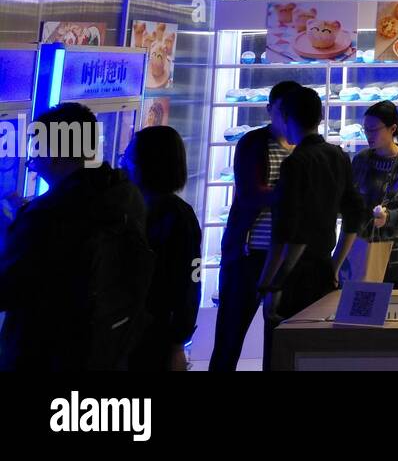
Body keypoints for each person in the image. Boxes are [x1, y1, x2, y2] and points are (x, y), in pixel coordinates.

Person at [0, 102, 151, 371]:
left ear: (54, 154)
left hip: (46, 356)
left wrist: (11, 232)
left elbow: (8, 289)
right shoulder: (125, 193)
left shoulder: (47, 216)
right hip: (109, 346)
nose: (32, 162)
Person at [257, 85, 366, 362]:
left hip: (294, 277)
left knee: (282, 354)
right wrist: (336, 263)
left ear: (284, 115)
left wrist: (272, 284)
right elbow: (355, 216)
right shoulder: (338, 156)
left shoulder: (295, 163)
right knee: (315, 354)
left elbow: (290, 234)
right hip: (324, 271)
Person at [208, 80, 298, 372]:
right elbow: (249, 194)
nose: (287, 118)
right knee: (229, 338)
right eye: (282, 111)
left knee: (279, 343)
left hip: (285, 258)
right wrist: (294, 194)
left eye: (292, 112)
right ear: (270, 109)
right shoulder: (254, 142)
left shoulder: (302, 147)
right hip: (248, 255)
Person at [122, 125, 202, 371]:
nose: (122, 160)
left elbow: (188, 285)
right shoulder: (142, 207)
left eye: (130, 155)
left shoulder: (175, 216)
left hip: (153, 334)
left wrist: (177, 342)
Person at [350, 101, 398, 286]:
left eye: (374, 129)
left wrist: (389, 218)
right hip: (360, 250)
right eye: (365, 129)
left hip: (395, 258)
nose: (368, 135)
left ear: (392, 129)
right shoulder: (361, 160)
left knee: (387, 310)